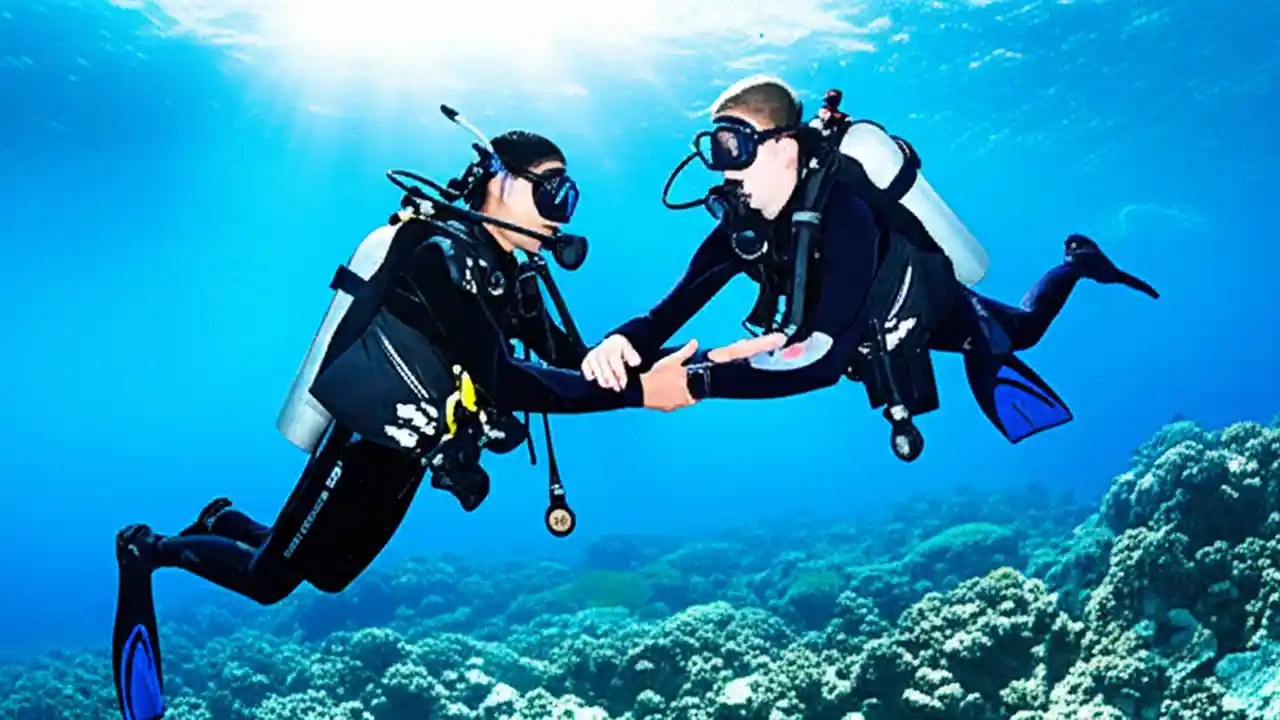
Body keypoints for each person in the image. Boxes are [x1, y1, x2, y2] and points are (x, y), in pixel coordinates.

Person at [110, 109, 779, 720]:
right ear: (500, 180)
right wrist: (640, 393)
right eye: (551, 191)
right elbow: (505, 378)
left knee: (331, 575)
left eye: (568, 196)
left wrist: (700, 364)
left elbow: (575, 360)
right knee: (269, 583)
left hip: (411, 452)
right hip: (364, 443)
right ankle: (149, 550)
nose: (561, 212)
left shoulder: (512, 277)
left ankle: (224, 520)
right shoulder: (442, 255)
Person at [582, 75, 1159, 458]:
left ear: (786, 147)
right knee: (1014, 338)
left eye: (737, 150)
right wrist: (619, 344)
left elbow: (822, 360)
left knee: (1025, 333)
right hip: (866, 334)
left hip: (923, 307)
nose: (725, 174)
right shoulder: (743, 228)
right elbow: (667, 311)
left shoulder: (845, 211)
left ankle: (1077, 264)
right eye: (716, 153)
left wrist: (699, 378)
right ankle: (1075, 267)